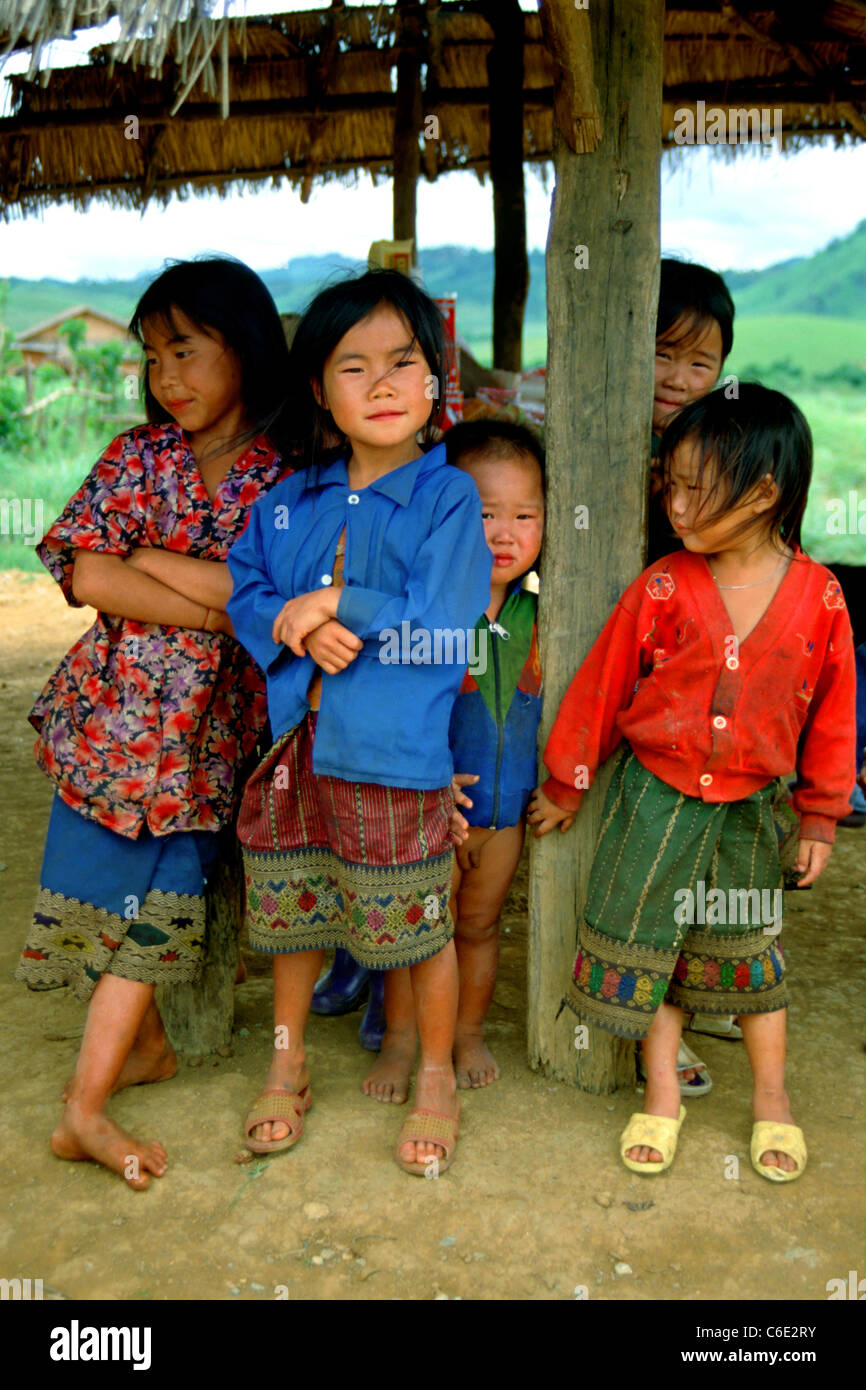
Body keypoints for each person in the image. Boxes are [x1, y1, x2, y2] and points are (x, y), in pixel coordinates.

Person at [528, 384, 855, 1182]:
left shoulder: (821, 600)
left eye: (694, 486)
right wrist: (568, 784)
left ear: (765, 493)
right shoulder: (665, 585)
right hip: (655, 801)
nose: (673, 504)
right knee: (654, 950)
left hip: (751, 811)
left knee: (750, 953)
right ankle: (664, 1092)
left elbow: (838, 717)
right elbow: (604, 687)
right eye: (667, 482)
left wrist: (819, 818)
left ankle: (772, 1098)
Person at [16, 256, 293, 1188]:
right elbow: (84, 572)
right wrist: (216, 608)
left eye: (186, 348)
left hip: (206, 741)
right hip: (108, 723)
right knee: (98, 892)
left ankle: (82, 1111)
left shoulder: (285, 479)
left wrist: (152, 556)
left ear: (247, 347)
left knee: (157, 905)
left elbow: (263, 592)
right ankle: (142, 1052)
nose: (166, 376)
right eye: (152, 355)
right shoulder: (138, 456)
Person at [226, 269, 492, 1176]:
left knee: (421, 924)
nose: (380, 384)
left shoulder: (447, 500)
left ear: (433, 382)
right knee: (295, 911)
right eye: (352, 367)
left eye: (402, 362)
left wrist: (341, 598)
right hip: (298, 749)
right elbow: (247, 593)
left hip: (394, 754)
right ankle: (287, 1058)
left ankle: (434, 1076)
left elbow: (446, 626)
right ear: (318, 392)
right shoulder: (289, 500)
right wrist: (290, 620)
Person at [362, 419, 544, 1102]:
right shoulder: (430, 612)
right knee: (419, 930)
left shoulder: (545, 612)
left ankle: (467, 1031)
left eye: (524, 515)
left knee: (477, 927)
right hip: (426, 809)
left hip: (504, 814)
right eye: (482, 512)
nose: (503, 533)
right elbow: (394, 706)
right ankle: (402, 1039)